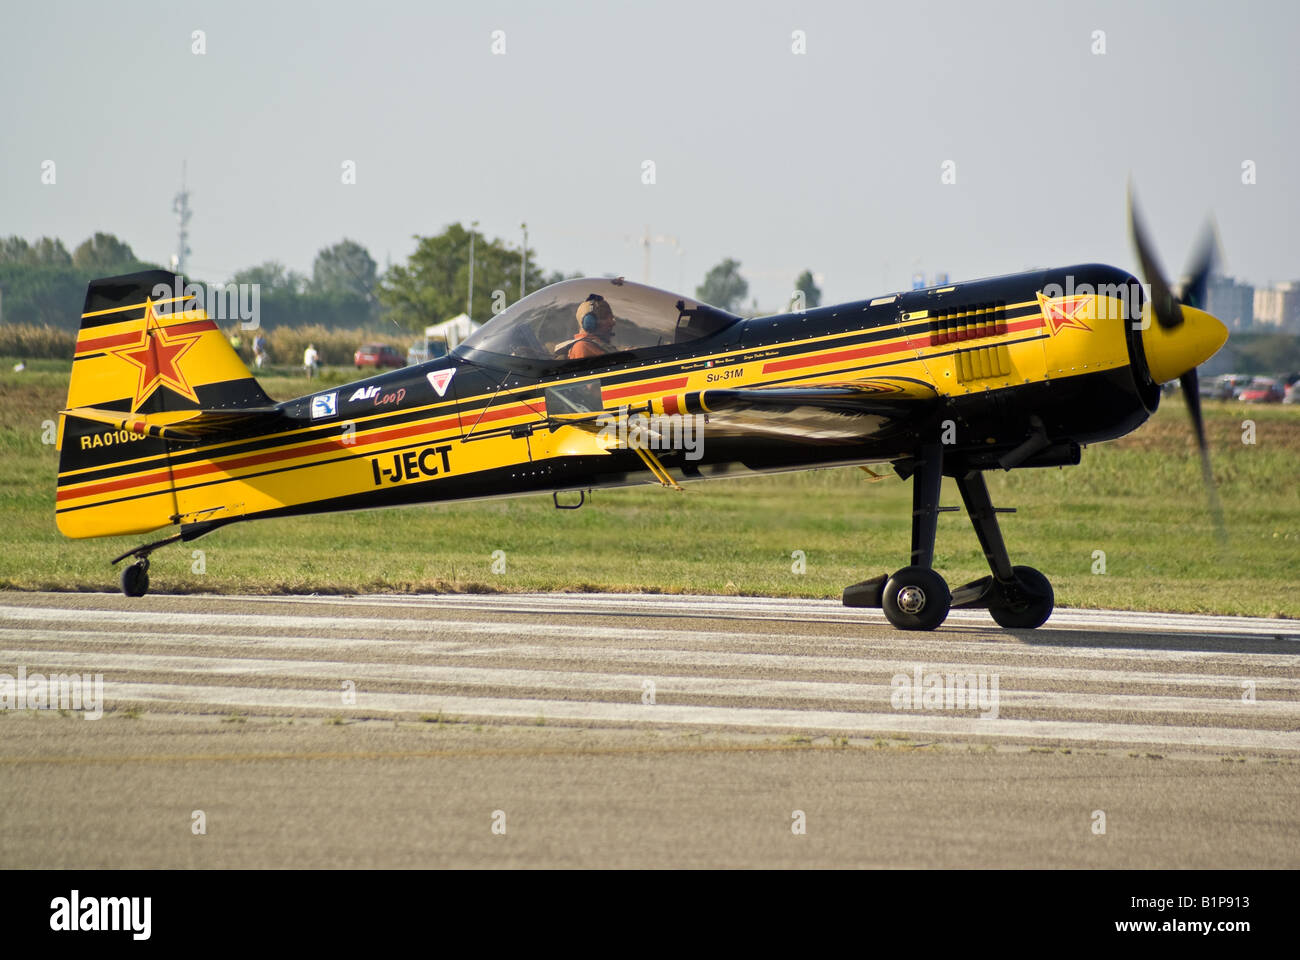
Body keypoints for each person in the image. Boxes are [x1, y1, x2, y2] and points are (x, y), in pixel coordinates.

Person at [558, 294, 616, 360]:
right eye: (605, 318)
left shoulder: (600, 345)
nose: (612, 323)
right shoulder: (583, 347)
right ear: (589, 322)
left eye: (611, 318)